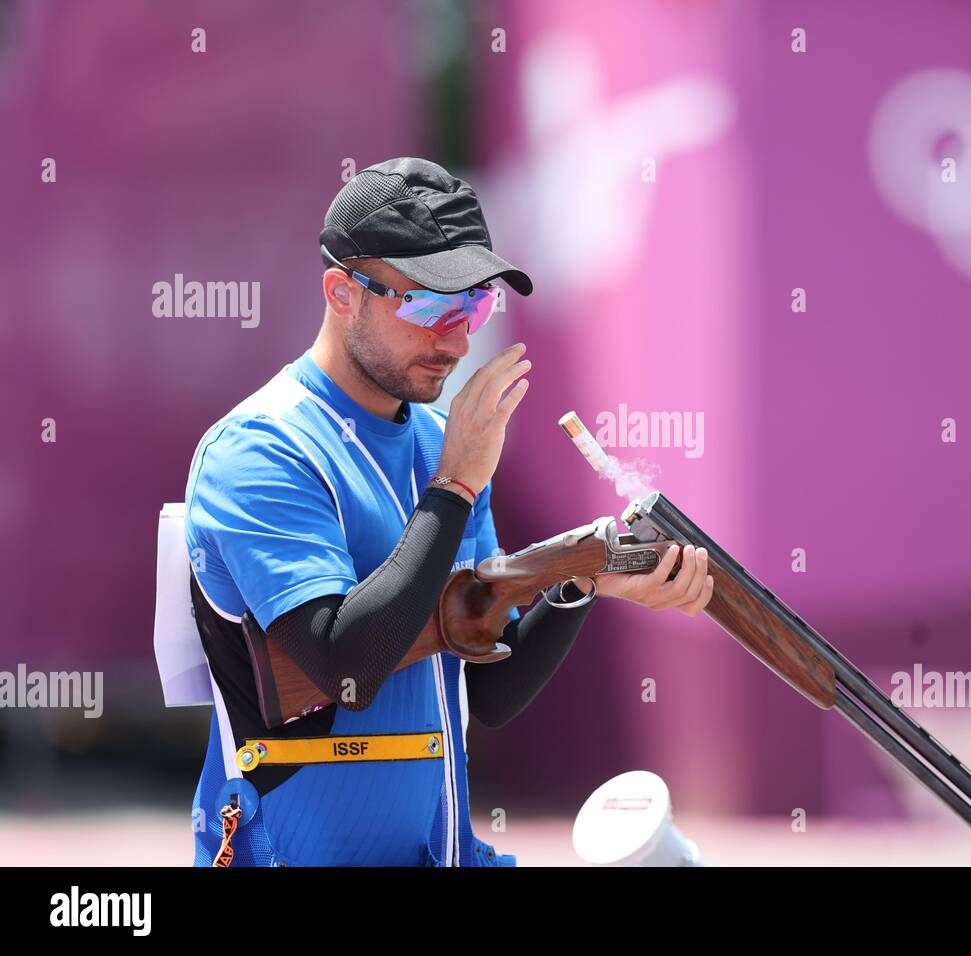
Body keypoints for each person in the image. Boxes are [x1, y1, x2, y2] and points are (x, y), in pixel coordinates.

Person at [184, 158, 713, 867]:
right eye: (432, 308)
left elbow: (489, 685)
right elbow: (347, 670)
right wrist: (455, 487)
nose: (460, 341)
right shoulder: (260, 451)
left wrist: (584, 578)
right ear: (343, 292)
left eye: (476, 307)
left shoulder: (442, 446)